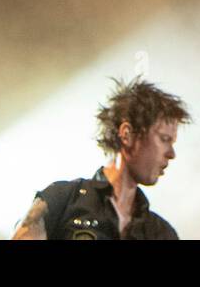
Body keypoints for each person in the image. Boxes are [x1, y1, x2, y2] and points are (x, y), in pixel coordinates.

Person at [11, 78, 189, 240]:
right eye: (164, 139)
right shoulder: (62, 199)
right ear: (127, 134)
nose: (171, 153)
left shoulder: (160, 233)